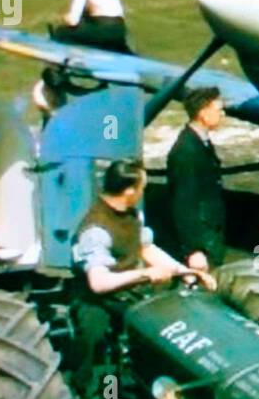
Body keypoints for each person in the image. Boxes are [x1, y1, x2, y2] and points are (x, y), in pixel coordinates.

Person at [72, 159, 210, 298]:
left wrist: (185, 273)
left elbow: (146, 249)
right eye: (142, 188)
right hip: (99, 304)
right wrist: (145, 273)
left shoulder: (133, 215)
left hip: (128, 296)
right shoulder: (96, 230)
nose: (143, 192)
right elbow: (99, 283)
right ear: (130, 191)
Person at [166, 86, 227, 273]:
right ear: (203, 112)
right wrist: (193, 250)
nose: (223, 114)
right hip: (202, 235)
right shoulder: (187, 152)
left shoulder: (201, 143)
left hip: (210, 229)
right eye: (218, 110)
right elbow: (184, 202)